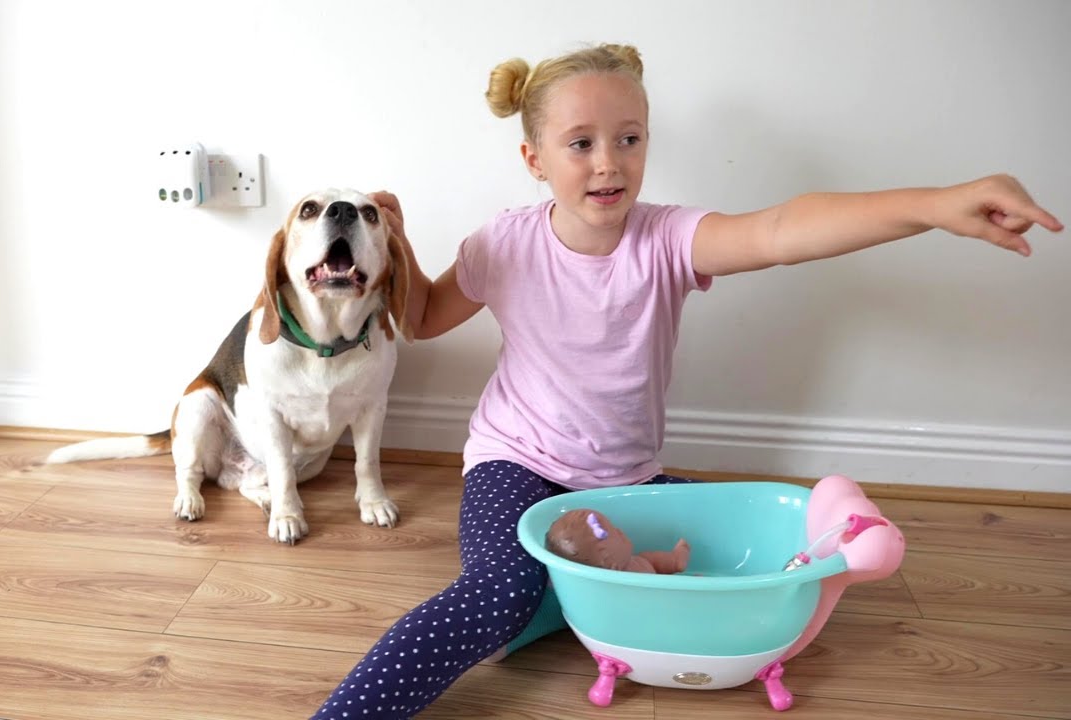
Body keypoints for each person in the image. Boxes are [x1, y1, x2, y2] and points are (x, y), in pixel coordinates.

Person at [311, 42, 1061, 718]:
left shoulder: (668, 238)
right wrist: (397, 242)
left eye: (629, 140)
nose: (609, 162)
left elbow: (781, 231)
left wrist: (935, 206)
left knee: (760, 548)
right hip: (518, 465)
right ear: (534, 157)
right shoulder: (502, 242)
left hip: (625, 482)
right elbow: (424, 318)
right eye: (581, 144)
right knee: (497, 594)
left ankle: (566, 588)